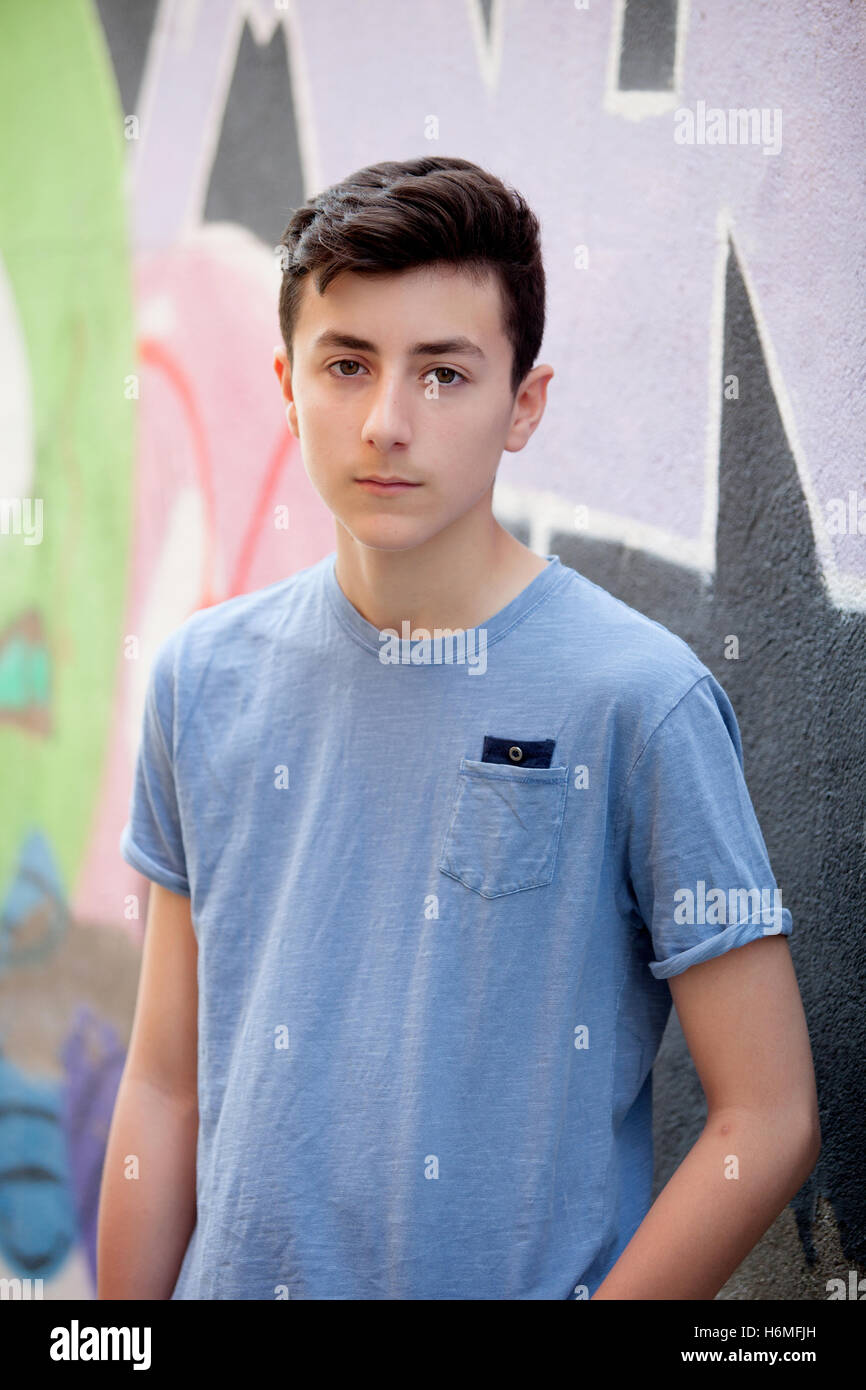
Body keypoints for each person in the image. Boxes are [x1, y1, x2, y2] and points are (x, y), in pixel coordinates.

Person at [98, 156, 820, 1300]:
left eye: (442, 373)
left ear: (520, 405)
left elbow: (768, 1114)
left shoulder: (639, 698)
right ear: (286, 383)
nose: (386, 421)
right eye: (347, 365)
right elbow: (164, 1083)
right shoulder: (200, 677)